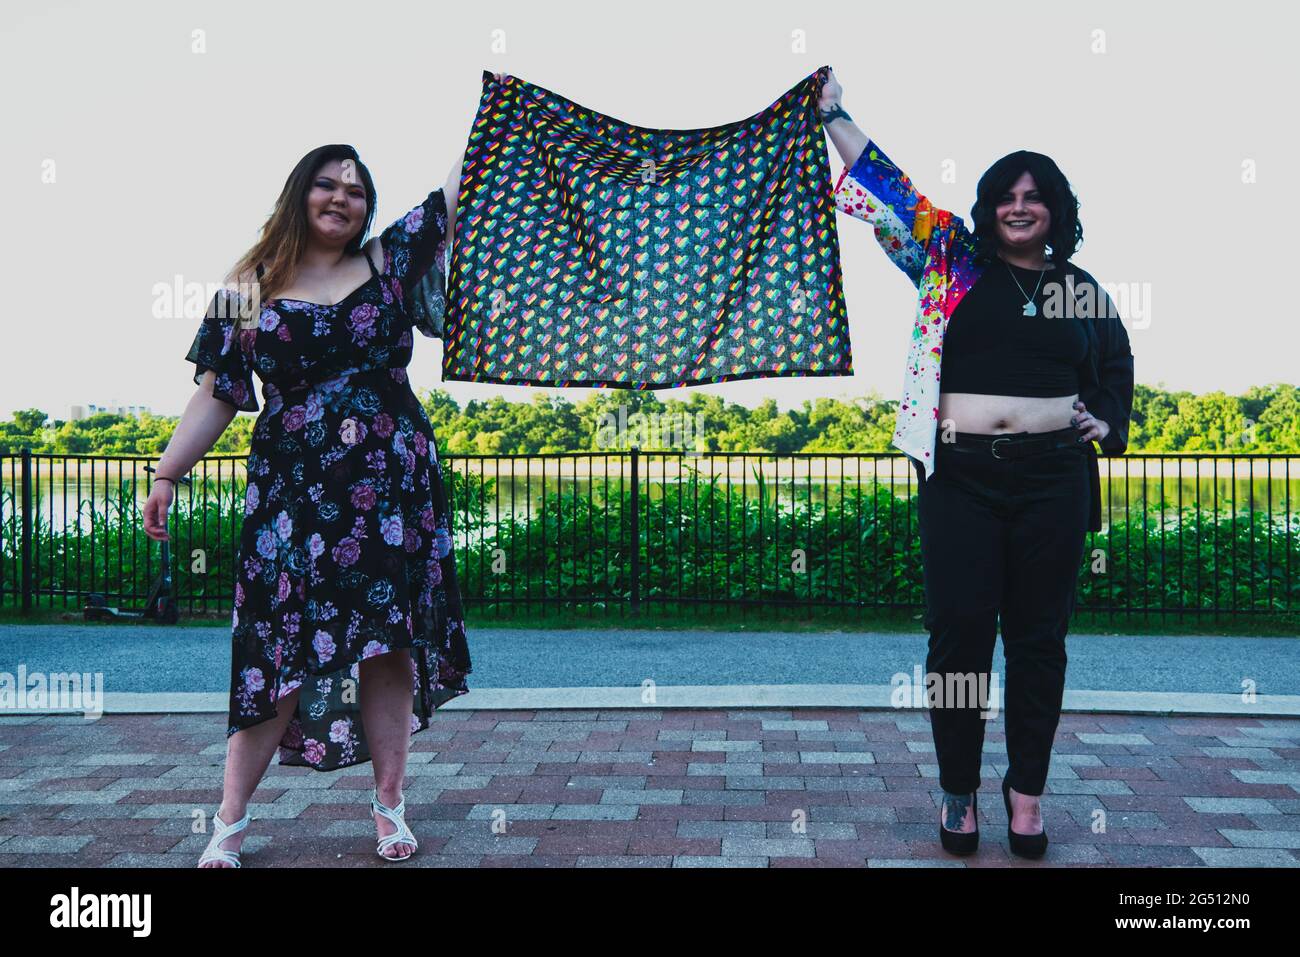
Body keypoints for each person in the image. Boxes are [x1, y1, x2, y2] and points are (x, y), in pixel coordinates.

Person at [141, 94, 503, 863]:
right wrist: (169, 471)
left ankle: (391, 806)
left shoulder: (388, 262)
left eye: (358, 188)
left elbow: (453, 194)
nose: (343, 196)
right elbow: (217, 393)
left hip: (389, 490)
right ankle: (230, 821)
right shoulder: (252, 283)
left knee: (389, 648)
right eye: (328, 183)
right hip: (292, 498)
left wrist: (494, 108)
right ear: (300, 192)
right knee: (272, 650)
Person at [819, 70, 1133, 858]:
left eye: (1036, 196)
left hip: (1053, 479)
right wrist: (834, 116)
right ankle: (959, 792)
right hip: (960, 478)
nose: (1020, 206)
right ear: (990, 207)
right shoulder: (956, 262)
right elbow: (894, 190)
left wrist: (1108, 421)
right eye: (1006, 195)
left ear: (1056, 210)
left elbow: (1116, 367)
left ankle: (1026, 799)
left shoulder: (1074, 289)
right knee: (958, 636)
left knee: (1038, 640)